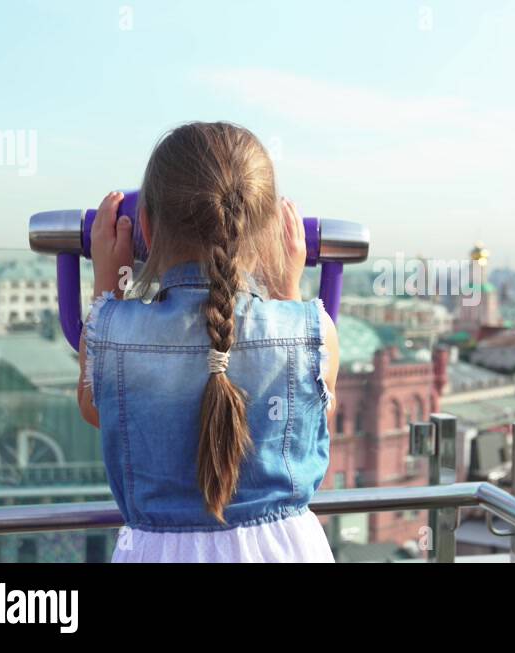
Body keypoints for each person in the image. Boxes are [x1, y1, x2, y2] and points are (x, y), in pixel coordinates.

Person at [77, 121, 338, 562]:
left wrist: (110, 280)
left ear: (145, 228)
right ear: (270, 232)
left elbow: (96, 406)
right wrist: (288, 292)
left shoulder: (112, 331)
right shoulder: (315, 330)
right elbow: (315, 410)